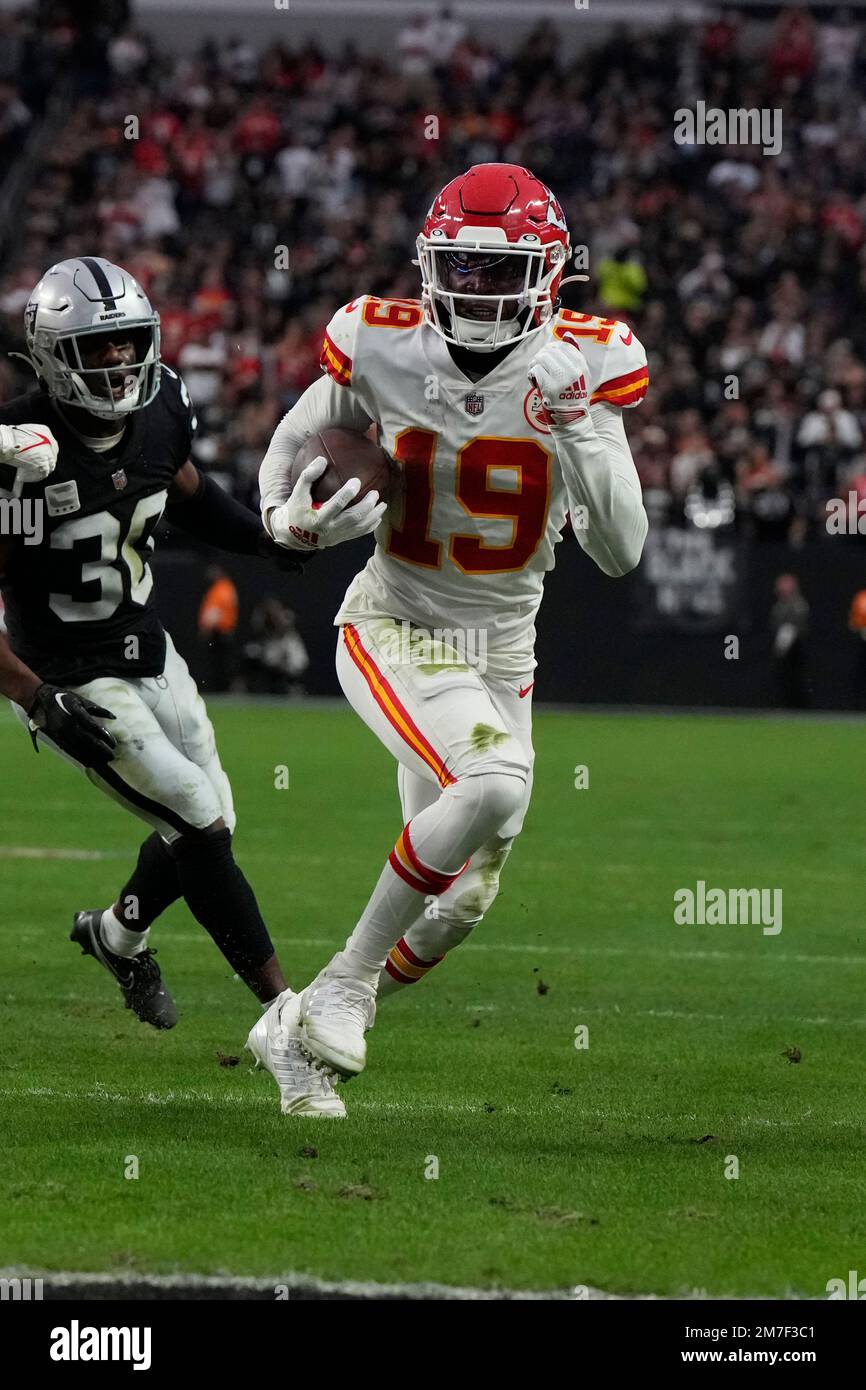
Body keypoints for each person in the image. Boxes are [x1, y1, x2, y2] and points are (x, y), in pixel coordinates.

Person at [254, 162, 649, 1109]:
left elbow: (622, 550)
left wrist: (580, 426)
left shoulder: (585, 363)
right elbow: (288, 451)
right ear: (430, 264)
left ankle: (291, 1030)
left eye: (494, 270)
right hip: (395, 619)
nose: (473, 289)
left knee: (464, 898)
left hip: (504, 650)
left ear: (550, 276)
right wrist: (290, 524)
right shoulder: (382, 345)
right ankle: (347, 985)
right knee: (494, 779)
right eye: (459, 267)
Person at [0, 257, 377, 1116]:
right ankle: (285, 1026)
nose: (120, 366)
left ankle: (117, 934)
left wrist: (270, 543)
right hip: (68, 673)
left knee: (212, 821)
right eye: (99, 352)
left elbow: (186, 492)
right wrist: (31, 696)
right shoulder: (20, 456)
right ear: (53, 358)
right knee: (199, 824)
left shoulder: (160, 408)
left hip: (147, 646)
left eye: (132, 345)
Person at [770, 573, 809, 708]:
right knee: (782, 679)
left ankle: (797, 707)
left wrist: (785, 641)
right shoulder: (779, 605)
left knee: (794, 679)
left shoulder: (798, 605)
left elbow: (793, 627)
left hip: (796, 652)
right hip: (783, 653)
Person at [198, 563, 239, 692]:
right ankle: (222, 688)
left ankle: (220, 689)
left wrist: (206, 628)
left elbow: (214, 612)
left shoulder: (220, 589)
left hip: (219, 632)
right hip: (224, 632)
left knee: (218, 664)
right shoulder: (227, 587)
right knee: (222, 663)